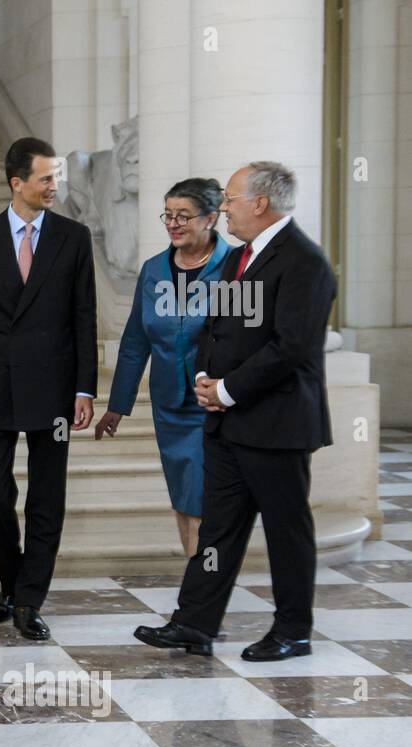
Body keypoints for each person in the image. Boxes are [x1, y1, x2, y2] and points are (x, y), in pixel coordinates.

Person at [135, 161, 335, 662]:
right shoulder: (241, 256)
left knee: (287, 532)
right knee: (218, 528)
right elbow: (217, 327)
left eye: (230, 198)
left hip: (278, 423)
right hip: (227, 422)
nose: (224, 206)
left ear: (260, 203)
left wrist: (227, 390)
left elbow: (291, 348)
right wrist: (205, 377)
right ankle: (194, 623)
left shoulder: (305, 263)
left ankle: (294, 631)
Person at [0, 137, 98, 641]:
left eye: (56, 177)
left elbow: (84, 317)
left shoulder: (74, 238)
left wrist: (85, 389)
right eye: (46, 178)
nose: (54, 186)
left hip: (55, 388)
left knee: (46, 499)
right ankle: (12, 581)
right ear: (17, 183)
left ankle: (28, 599)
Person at [95, 179, 233, 557]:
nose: (173, 223)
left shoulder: (235, 267)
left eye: (183, 216)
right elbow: (136, 341)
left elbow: (247, 339)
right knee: (183, 493)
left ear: (210, 218)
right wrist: (117, 405)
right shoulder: (154, 270)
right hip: (169, 405)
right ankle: (197, 576)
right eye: (168, 215)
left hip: (215, 404)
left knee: (201, 494)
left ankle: (200, 586)